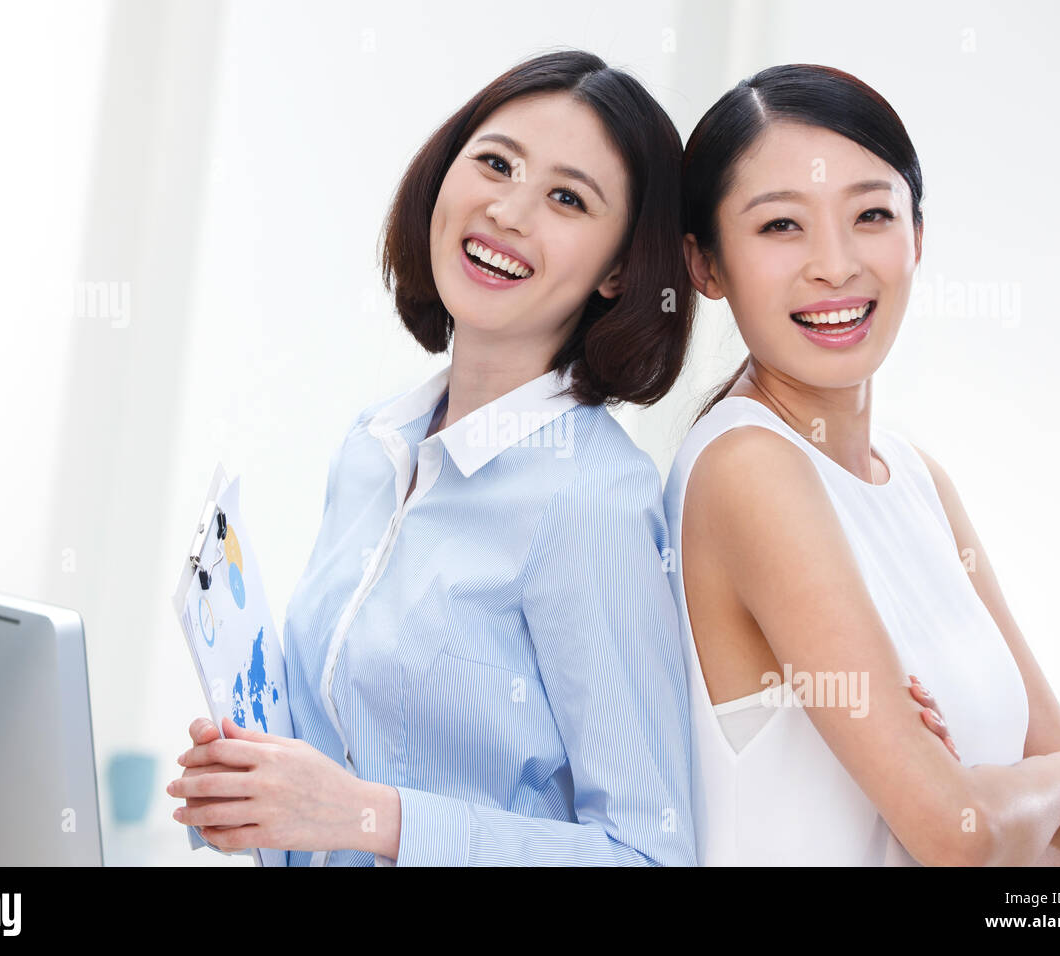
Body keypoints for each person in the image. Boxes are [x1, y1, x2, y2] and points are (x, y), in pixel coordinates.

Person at [168, 50, 698, 865]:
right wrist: (252, 789)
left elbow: (649, 855)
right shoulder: (375, 445)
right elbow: (337, 756)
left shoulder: (595, 500)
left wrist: (369, 818)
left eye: (567, 198)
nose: (508, 211)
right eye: (496, 163)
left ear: (620, 270)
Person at [664, 64, 1060, 865]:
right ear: (705, 264)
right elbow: (962, 835)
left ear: (917, 235)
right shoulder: (748, 469)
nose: (835, 264)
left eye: (872, 214)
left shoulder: (918, 479)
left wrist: (990, 797)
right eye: (781, 225)